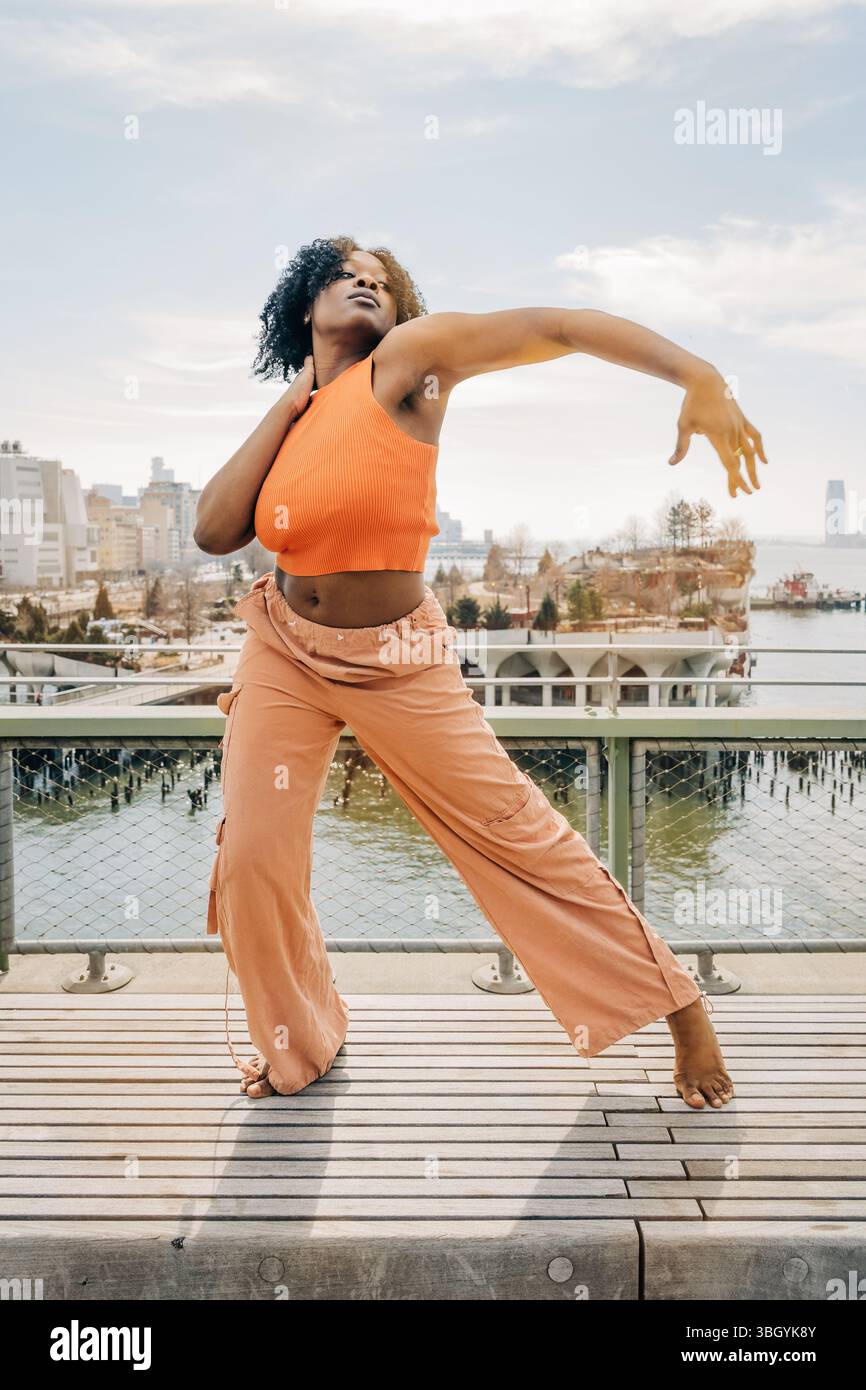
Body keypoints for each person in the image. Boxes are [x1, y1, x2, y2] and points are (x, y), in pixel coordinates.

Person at [195, 235, 768, 1107]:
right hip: (281, 643)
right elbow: (212, 529)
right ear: (303, 302)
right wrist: (289, 402)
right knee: (253, 858)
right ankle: (300, 1039)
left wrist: (700, 375)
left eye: (382, 283)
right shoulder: (302, 414)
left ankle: (677, 1002)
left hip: (400, 657)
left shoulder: (409, 364)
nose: (364, 285)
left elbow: (561, 324)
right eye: (345, 275)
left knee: (512, 828)